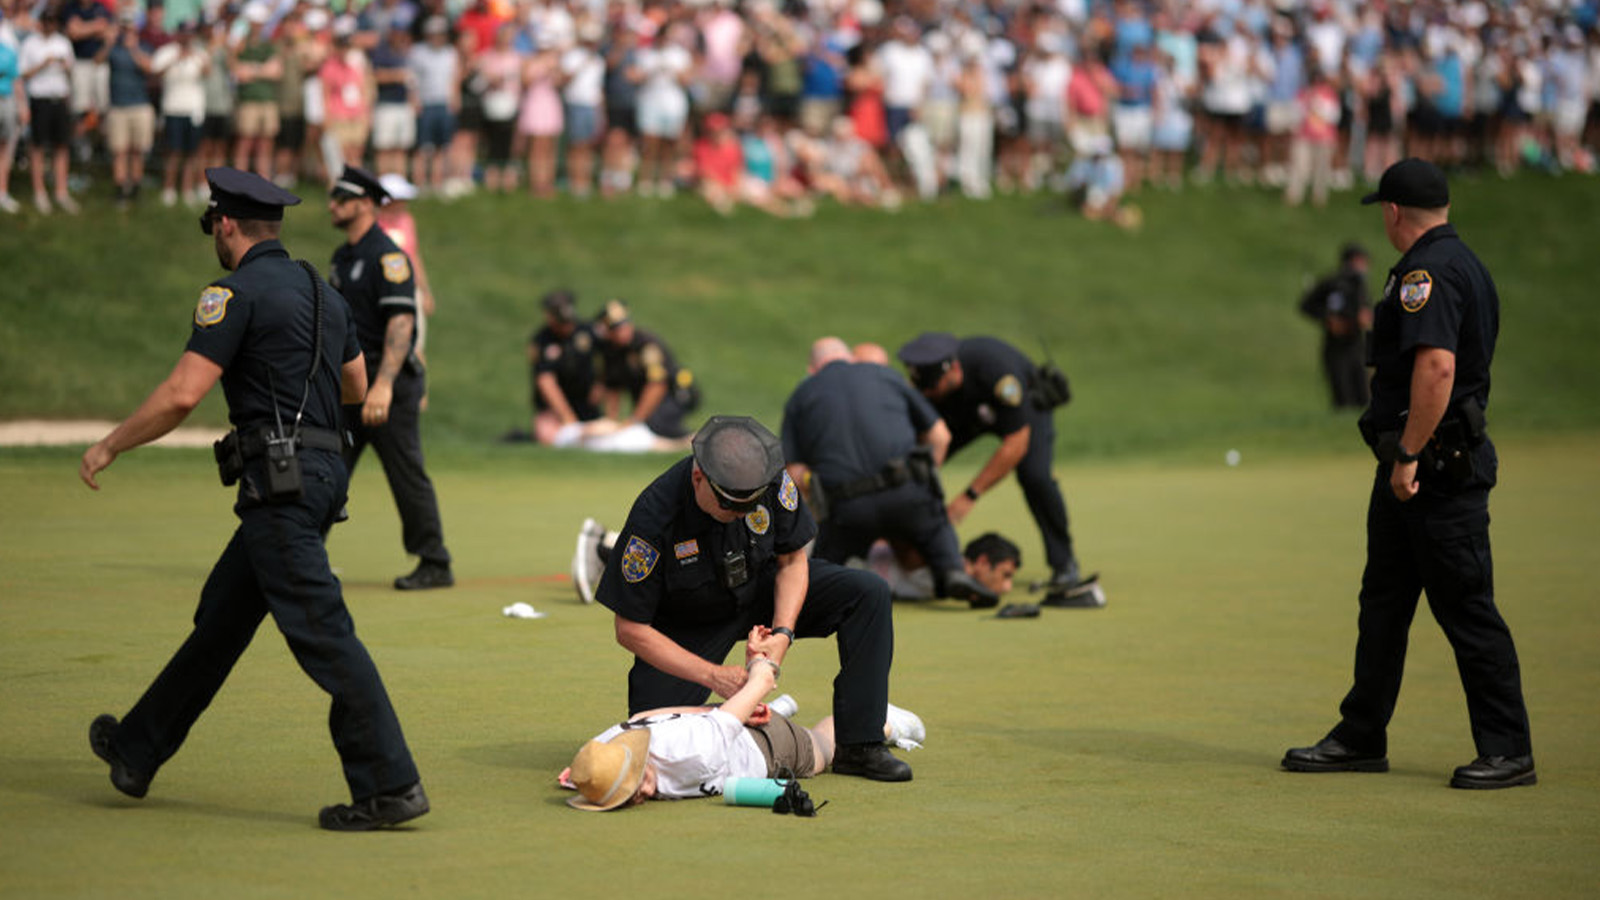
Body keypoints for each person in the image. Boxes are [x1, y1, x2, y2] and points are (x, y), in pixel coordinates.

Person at [78, 167, 428, 831]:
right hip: (324, 477)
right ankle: (138, 747)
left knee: (326, 636)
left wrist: (111, 445)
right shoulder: (325, 294)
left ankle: (391, 785)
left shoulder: (230, 293)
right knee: (223, 617)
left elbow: (183, 393)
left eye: (213, 225)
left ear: (227, 224)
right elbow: (354, 386)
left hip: (281, 486)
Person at [1283, 158, 1535, 790]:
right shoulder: (1464, 264)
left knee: (1467, 609)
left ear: (1393, 212)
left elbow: (1437, 370)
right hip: (1420, 463)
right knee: (1384, 605)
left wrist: (1408, 457)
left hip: (1433, 469)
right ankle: (1361, 734)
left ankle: (1508, 750)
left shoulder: (1427, 273)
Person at [594, 415, 914, 782]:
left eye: (750, 505)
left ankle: (860, 744)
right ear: (699, 478)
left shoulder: (772, 480)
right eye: (731, 505)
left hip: (759, 589)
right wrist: (714, 676)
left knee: (867, 592)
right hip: (689, 621)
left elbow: (793, 559)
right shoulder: (654, 517)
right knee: (653, 735)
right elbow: (630, 628)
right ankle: (746, 712)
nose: (741, 514)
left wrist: (783, 633)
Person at [562, 648, 926, 809]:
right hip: (723, 725)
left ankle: (884, 720)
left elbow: (760, 682)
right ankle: (770, 711)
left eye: (636, 783)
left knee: (824, 748)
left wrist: (760, 670)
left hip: (766, 748)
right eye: (625, 796)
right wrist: (585, 776)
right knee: (730, 718)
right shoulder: (609, 745)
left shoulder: (694, 753)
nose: (639, 794)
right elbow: (649, 716)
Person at [781, 337, 997, 607]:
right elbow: (940, 436)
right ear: (850, 358)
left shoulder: (801, 395)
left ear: (812, 370)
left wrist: (819, 502)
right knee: (935, 525)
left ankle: (814, 589)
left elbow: (794, 472)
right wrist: (923, 480)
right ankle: (951, 571)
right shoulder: (885, 375)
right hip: (906, 496)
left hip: (848, 509)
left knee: (824, 562)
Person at [896, 331, 1102, 608]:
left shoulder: (997, 374)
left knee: (1035, 476)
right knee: (915, 463)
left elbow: (1016, 443)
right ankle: (900, 549)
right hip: (963, 413)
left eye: (935, 388)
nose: (929, 394)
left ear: (954, 369)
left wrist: (967, 498)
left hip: (1024, 411)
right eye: (925, 390)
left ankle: (1064, 562)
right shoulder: (929, 384)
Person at [328, 165, 454, 590]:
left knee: (405, 473)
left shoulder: (388, 256)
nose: (333, 206)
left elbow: (401, 322)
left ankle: (435, 562)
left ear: (365, 204)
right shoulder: (343, 257)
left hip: (389, 385)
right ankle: (301, 554)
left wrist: (382, 384)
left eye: (342, 199)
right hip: (351, 386)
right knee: (326, 468)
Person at [595, 299, 699, 441]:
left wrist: (634, 419)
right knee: (646, 425)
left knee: (653, 424)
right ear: (608, 332)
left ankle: (692, 440)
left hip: (678, 392)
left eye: (624, 326)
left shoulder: (645, 344)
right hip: (651, 397)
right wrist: (612, 424)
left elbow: (657, 384)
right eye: (616, 329)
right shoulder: (611, 352)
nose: (622, 332)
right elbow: (613, 389)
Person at [1299, 241, 1373, 410]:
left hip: (1356, 345)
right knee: (1342, 395)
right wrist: (1328, 319)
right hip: (1336, 347)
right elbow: (1306, 305)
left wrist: (1366, 316)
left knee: (1363, 395)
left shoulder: (1360, 285)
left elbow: (1365, 309)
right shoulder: (1332, 283)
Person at [529, 288, 602, 444]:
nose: (567, 327)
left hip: (587, 406)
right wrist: (568, 418)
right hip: (555, 410)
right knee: (548, 435)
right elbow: (546, 382)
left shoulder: (588, 332)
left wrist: (600, 384)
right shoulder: (542, 341)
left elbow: (609, 358)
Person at [866, 531, 1022, 603]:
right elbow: (895, 524)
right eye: (1006, 575)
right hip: (851, 569)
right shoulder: (940, 560)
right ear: (983, 562)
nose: (1007, 587)